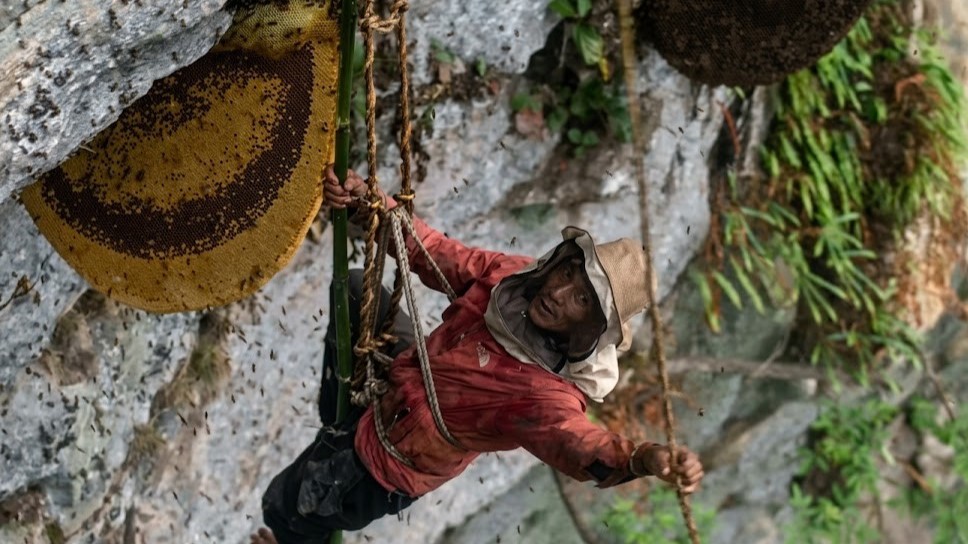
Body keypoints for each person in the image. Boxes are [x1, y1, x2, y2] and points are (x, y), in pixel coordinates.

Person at [251, 166, 705, 544]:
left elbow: (580, 445)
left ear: (592, 327)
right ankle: (340, 424)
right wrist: (372, 206)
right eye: (568, 273)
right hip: (406, 381)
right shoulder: (512, 279)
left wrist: (642, 458)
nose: (559, 292)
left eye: (582, 300)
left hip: (390, 461)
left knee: (287, 507)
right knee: (355, 291)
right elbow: (438, 254)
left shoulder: (547, 397)